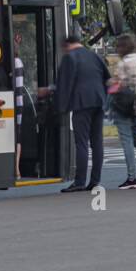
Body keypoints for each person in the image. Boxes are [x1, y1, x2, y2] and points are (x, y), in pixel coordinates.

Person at [43, 35, 110, 193]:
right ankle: (95, 180)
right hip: (98, 102)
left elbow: (65, 84)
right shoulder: (94, 55)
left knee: (81, 143)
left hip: (81, 104)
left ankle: (79, 181)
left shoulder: (69, 58)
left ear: (67, 45)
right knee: (97, 142)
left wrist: (60, 108)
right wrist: (104, 100)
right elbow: (107, 79)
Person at [110, 33, 136, 190]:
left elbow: (117, 86)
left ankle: (131, 177)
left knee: (127, 141)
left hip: (124, 108)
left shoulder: (123, 64)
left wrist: (109, 84)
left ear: (122, 48)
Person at [14, 42, 25, 180]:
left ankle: (16, 168)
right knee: (17, 135)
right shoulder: (19, 62)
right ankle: (16, 169)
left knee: (16, 135)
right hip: (19, 103)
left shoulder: (15, 62)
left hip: (15, 103)